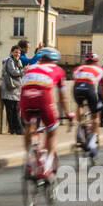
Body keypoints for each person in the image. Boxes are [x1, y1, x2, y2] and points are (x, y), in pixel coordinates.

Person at [19, 47, 73, 179]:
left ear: (41, 59)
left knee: (29, 127)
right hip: (43, 98)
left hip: (25, 98)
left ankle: (29, 160)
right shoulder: (58, 70)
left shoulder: (30, 68)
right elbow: (62, 97)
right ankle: (46, 169)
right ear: (55, 60)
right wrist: (68, 113)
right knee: (52, 131)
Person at [71, 51, 103, 158]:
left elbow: (75, 79)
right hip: (89, 88)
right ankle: (92, 143)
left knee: (80, 105)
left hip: (77, 88)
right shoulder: (101, 70)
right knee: (95, 116)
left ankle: (79, 128)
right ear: (96, 61)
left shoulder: (78, 68)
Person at [0, 45, 24, 135]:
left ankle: (15, 128)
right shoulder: (9, 60)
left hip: (15, 89)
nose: (17, 54)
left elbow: (19, 73)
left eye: (19, 53)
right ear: (11, 52)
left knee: (16, 109)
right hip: (9, 88)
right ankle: (15, 129)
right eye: (16, 52)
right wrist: (23, 70)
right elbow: (13, 72)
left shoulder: (18, 61)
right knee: (11, 110)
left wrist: (22, 70)